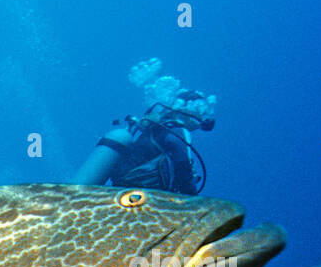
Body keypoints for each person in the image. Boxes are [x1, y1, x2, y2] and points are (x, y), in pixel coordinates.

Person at [73, 58, 215, 196]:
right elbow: (183, 164)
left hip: (124, 189)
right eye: (200, 109)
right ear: (186, 108)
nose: (201, 116)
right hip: (144, 195)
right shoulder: (179, 131)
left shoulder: (153, 129)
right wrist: (190, 199)